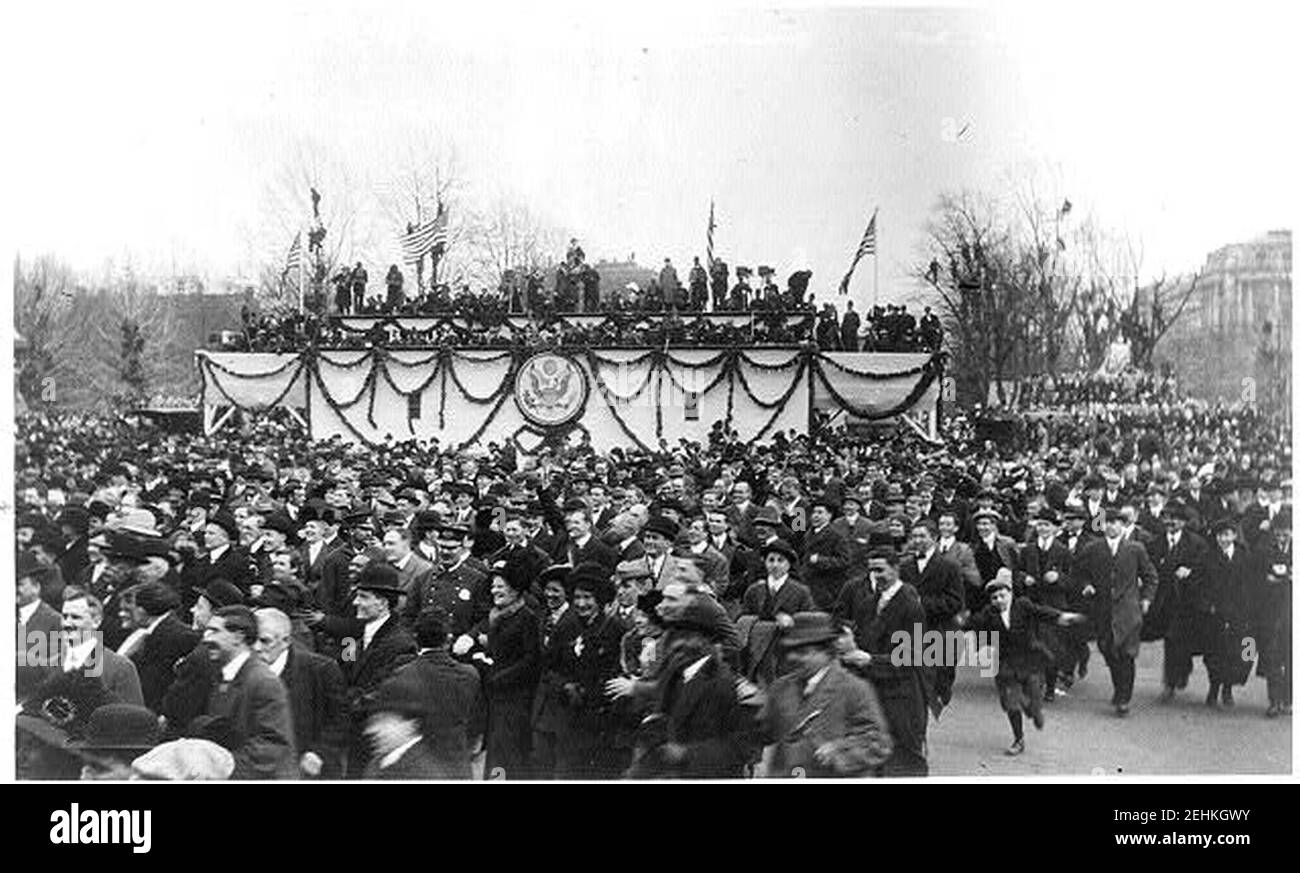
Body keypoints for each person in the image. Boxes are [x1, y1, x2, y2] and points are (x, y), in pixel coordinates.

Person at [959, 570, 1085, 755]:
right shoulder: (989, 613)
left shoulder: (1023, 605)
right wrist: (958, 623)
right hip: (1005, 664)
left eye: (1002, 596)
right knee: (1011, 703)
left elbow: (1040, 612)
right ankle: (1018, 739)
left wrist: (1061, 616)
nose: (999, 601)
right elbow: (974, 623)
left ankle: (1034, 710)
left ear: (1010, 594)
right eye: (994, 598)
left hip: (1029, 659)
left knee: (1033, 696)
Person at [834, 546, 932, 777]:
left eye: (880, 570)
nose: (875, 576)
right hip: (873, 692)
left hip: (903, 695)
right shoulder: (868, 604)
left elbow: (913, 656)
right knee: (874, 757)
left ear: (896, 569)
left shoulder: (911, 606)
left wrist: (870, 660)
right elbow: (862, 640)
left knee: (905, 759)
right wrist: (850, 646)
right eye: (871, 571)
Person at [757, 612, 892, 777]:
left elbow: (878, 743)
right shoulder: (781, 688)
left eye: (803, 652)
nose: (793, 657)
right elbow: (759, 732)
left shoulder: (854, 689)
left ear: (827, 653)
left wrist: (840, 750)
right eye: (791, 650)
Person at [626, 600, 748, 779]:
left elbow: (737, 748)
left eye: (684, 633)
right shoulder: (675, 671)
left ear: (704, 639)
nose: (675, 639)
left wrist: (686, 753)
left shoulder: (722, 682)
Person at [1073, 508, 1158, 717]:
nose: (1111, 526)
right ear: (1101, 526)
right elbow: (1078, 571)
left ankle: (1124, 698)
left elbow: (1151, 576)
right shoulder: (1093, 548)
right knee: (1107, 649)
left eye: (1116, 522)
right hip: (1102, 609)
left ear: (1123, 526)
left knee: (1126, 654)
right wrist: (1086, 585)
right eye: (1107, 522)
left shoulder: (1135, 548)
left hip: (1128, 610)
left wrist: (1146, 599)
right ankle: (1119, 687)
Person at [200, 605, 298, 779]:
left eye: (214, 631)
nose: (206, 639)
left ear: (238, 637)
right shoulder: (224, 674)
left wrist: (218, 766)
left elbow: (272, 745)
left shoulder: (263, 681)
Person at [385, 607, 482, 779]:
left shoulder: (403, 673)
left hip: (418, 768)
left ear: (416, 638)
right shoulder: (470, 675)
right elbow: (475, 723)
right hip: (457, 766)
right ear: (449, 639)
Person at [254, 608, 347, 779]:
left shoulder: (321, 670)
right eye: (251, 640)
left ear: (286, 641)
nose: (256, 648)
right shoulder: (243, 671)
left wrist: (319, 752)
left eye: (264, 641)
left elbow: (339, 721)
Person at [481, 553, 541, 779]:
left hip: (516, 697)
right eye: (493, 586)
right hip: (498, 694)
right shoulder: (498, 616)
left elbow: (531, 660)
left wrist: (500, 677)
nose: (495, 591)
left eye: (501, 587)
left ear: (515, 589)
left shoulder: (527, 618)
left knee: (507, 750)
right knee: (496, 749)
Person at [116, 581, 199, 712]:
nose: (121, 614)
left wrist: (165, 713)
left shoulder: (181, 637)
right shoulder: (137, 635)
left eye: (127, 609)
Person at [362, 670, 444, 779]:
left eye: (384, 721)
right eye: (373, 722)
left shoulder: (423, 774)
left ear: (412, 725)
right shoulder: (379, 762)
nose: (371, 730)